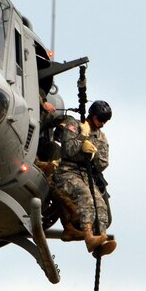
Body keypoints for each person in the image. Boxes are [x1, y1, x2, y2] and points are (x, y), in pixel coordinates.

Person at [46, 98, 116, 256]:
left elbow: (103, 164)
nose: (102, 123)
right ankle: (89, 236)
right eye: (100, 119)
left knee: (100, 204)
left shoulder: (100, 137)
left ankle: (100, 240)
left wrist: (93, 154)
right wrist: (82, 137)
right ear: (92, 115)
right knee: (86, 197)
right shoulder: (74, 125)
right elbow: (69, 150)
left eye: (105, 121)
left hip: (86, 174)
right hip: (67, 171)